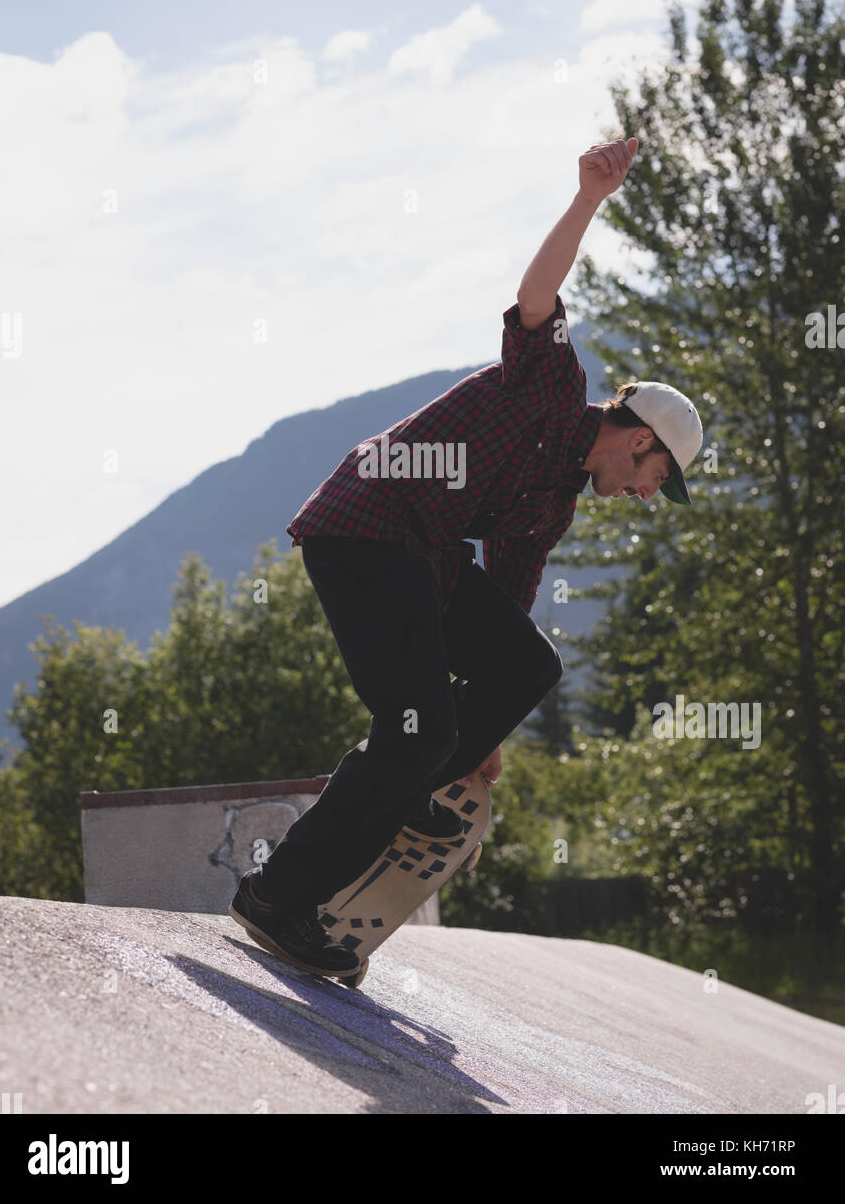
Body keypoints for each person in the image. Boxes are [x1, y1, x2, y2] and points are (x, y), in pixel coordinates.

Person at [230, 137, 703, 976]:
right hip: (365, 530)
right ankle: (279, 895)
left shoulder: (551, 504)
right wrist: (588, 199)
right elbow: (535, 295)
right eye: (649, 476)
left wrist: (486, 736)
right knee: (413, 731)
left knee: (528, 665)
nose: (639, 495)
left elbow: (507, 609)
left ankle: (418, 783)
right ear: (633, 438)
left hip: (425, 560)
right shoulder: (550, 387)